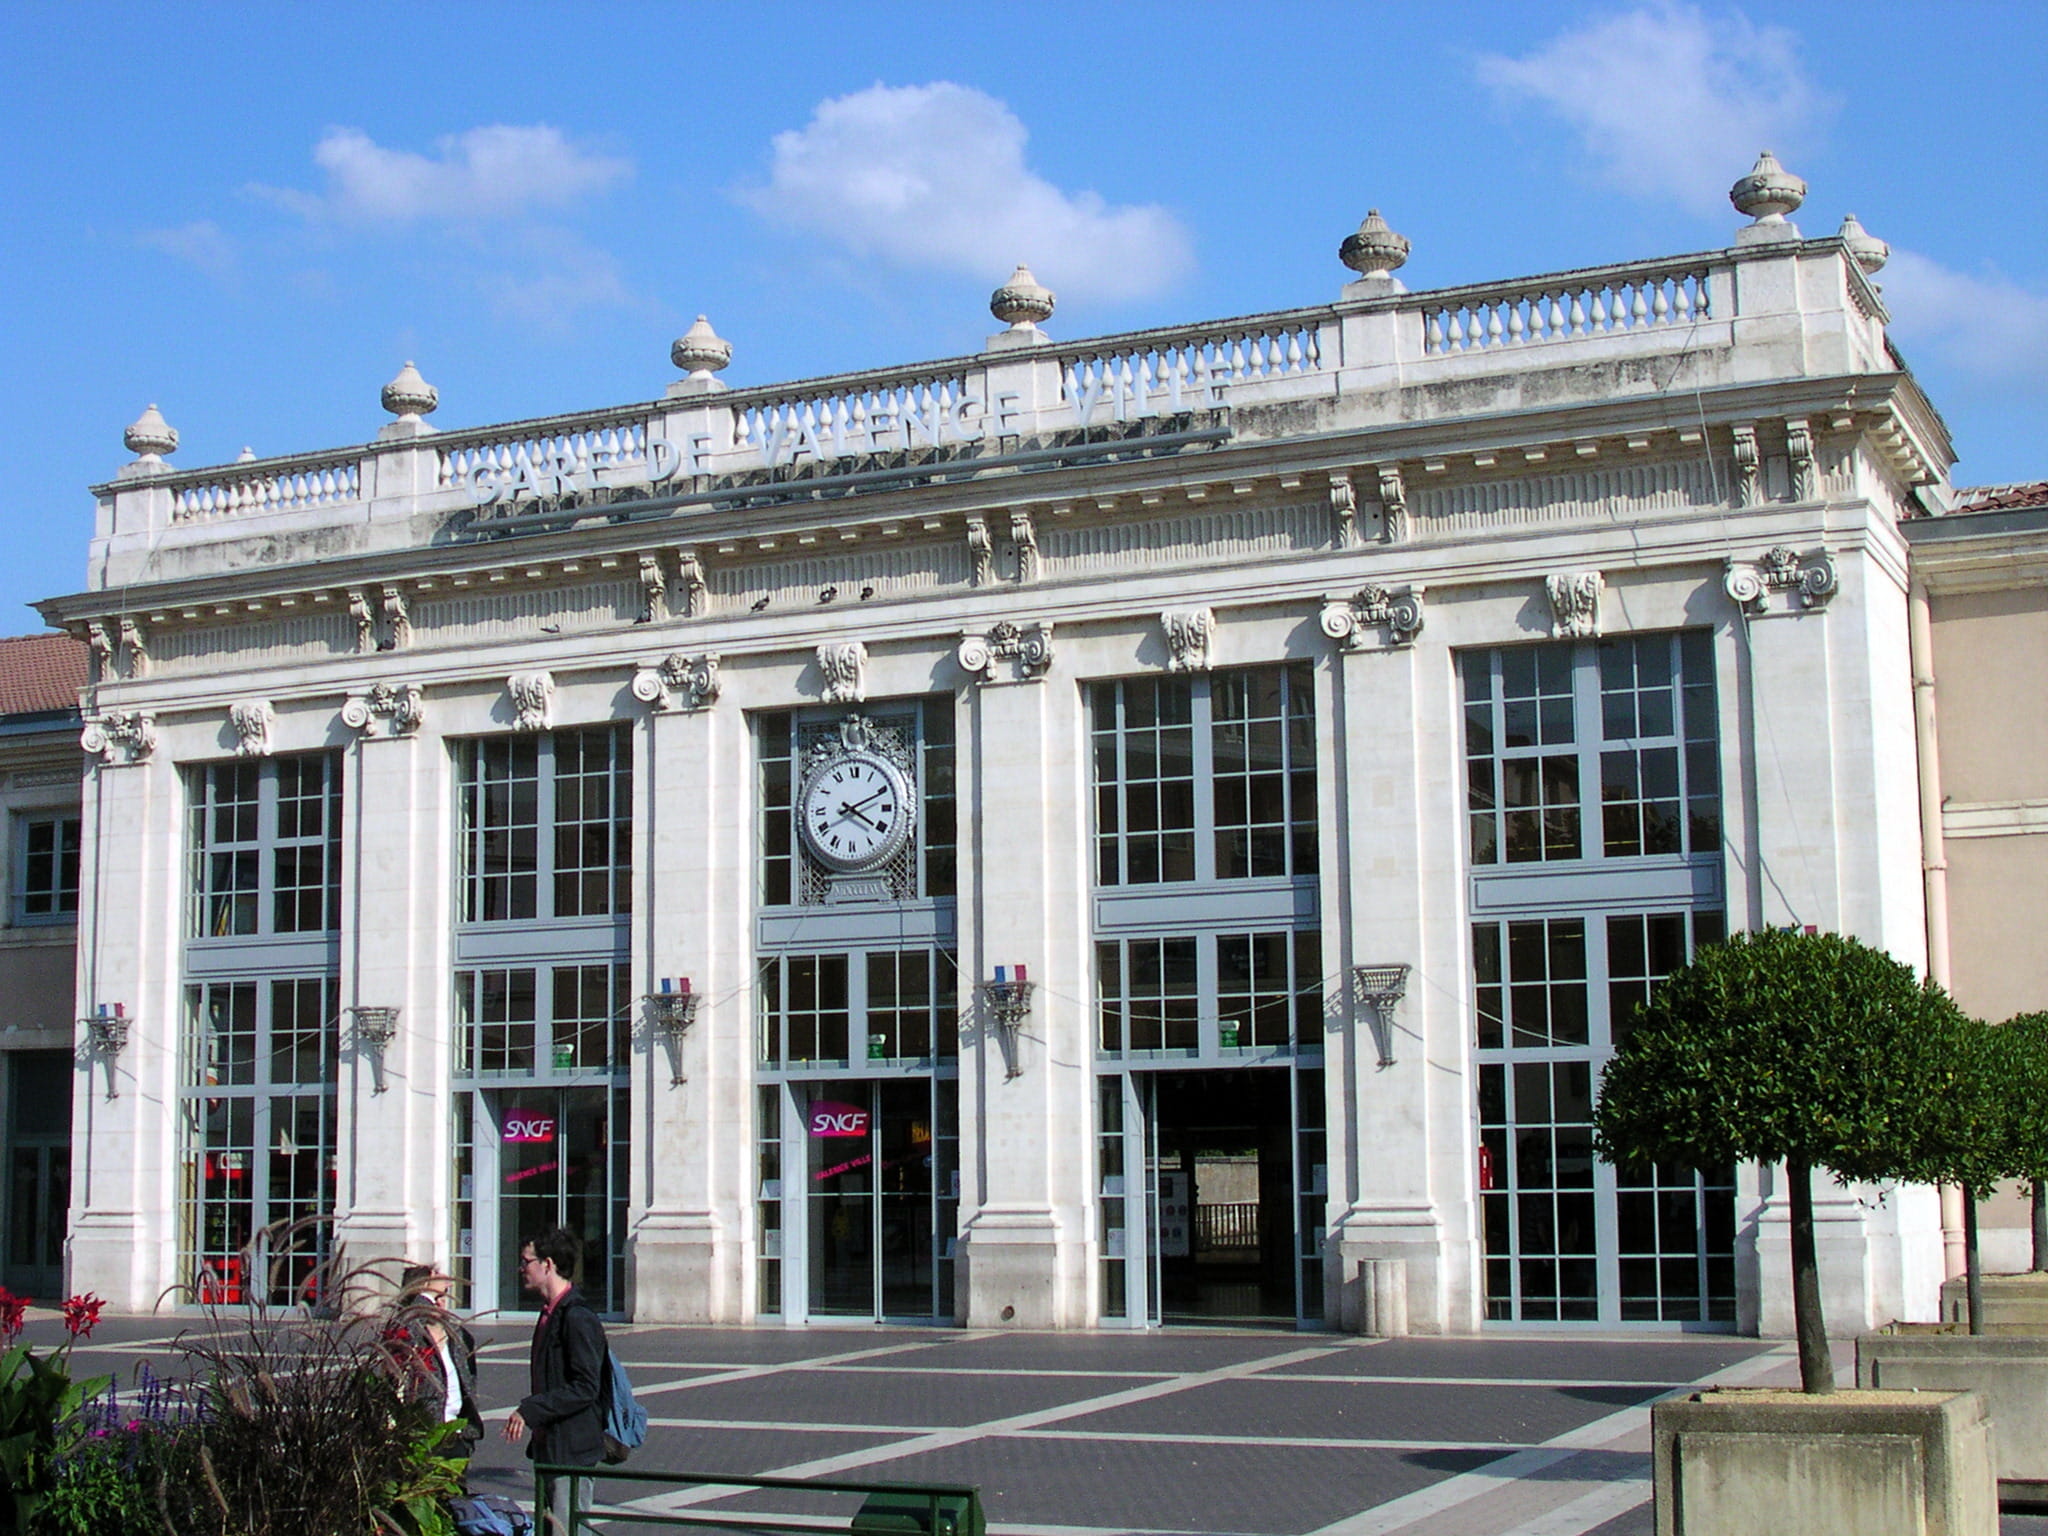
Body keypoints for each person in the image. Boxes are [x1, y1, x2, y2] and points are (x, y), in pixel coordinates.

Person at [503, 1227, 607, 1532]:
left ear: (547, 1264)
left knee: (568, 1528)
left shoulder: (576, 1316)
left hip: (571, 1449)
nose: (521, 1268)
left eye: (526, 1261)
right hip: (550, 1445)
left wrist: (531, 1410)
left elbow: (586, 1387)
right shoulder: (550, 1313)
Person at [392, 1263, 483, 1461]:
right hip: (425, 1436)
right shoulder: (410, 1326)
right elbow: (410, 1321)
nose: (440, 1304)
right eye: (435, 1298)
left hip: (456, 1434)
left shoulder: (455, 1334)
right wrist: (427, 1295)